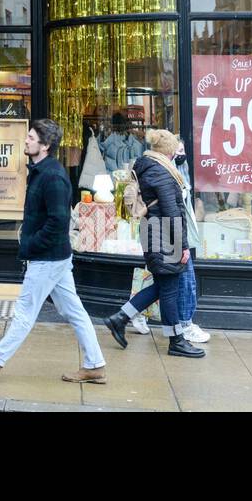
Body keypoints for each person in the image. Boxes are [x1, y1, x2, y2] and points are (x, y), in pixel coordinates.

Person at [0, 119, 107, 384]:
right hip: (56, 257)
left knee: (24, 313)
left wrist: (31, 245)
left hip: (48, 258)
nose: (26, 140)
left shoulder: (52, 176)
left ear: (46, 144)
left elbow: (58, 221)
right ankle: (95, 365)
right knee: (75, 311)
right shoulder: (43, 171)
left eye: (31, 137)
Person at [103, 129, 205, 358]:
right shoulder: (162, 173)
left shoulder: (148, 166)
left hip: (154, 231)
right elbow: (172, 212)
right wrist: (184, 246)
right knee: (169, 288)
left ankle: (119, 318)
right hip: (165, 235)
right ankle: (176, 340)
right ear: (168, 152)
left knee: (163, 285)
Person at [173, 139, 209, 343]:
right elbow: (174, 209)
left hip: (178, 234)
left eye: (183, 149)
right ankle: (185, 323)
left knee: (160, 282)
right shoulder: (167, 173)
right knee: (186, 281)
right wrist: (183, 243)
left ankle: (129, 314)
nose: (181, 154)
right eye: (177, 150)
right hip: (174, 235)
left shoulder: (183, 169)